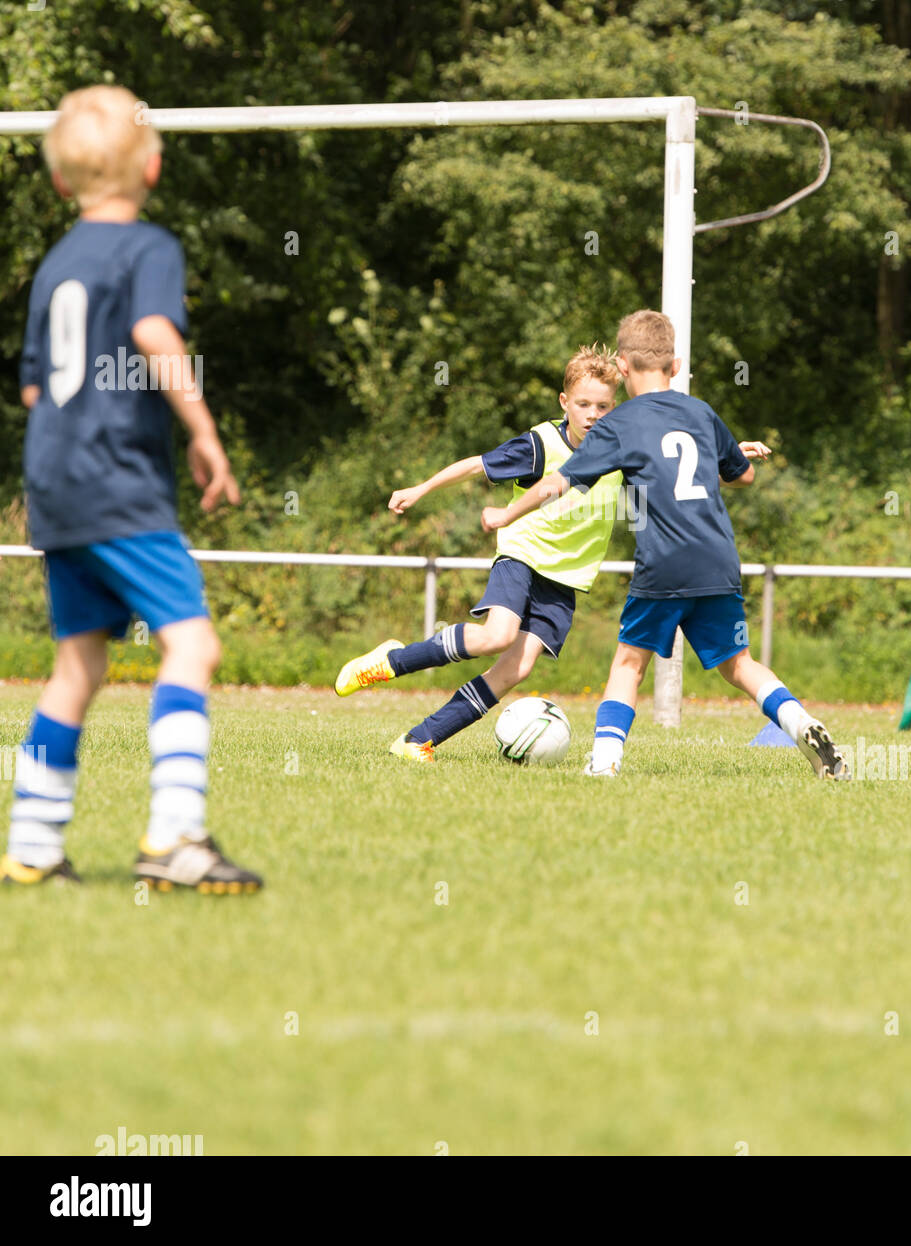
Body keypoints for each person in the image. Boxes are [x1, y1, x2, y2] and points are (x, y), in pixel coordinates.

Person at [1, 85, 262, 891]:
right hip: (119, 484)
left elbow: (36, 391)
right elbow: (153, 333)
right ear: (150, 167)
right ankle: (174, 839)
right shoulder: (148, 248)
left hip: (57, 486)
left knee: (78, 663)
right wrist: (204, 431)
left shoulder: (55, 264)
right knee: (194, 644)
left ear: (57, 183)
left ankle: (32, 847)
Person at [482, 308, 852, 781]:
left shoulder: (620, 423)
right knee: (740, 664)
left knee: (629, 663)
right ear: (675, 366)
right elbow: (745, 475)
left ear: (620, 367)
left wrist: (505, 513)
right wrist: (733, 454)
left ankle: (605, 763)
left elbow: (558, 483)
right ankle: (801, 721)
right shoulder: (700, 412)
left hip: (664, 562)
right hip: (717, 559)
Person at [334, 345, 623, 759]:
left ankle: (418, 740)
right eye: (584, 404)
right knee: (496, 635)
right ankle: (391, 662)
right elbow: (475, 465)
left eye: (604, 406)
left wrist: (725, 454)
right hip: (522, 555)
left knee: (516, 670)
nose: (594, 414)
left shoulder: (619, 449)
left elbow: (670, 462)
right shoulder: (540, 445)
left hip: (565, 579)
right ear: (565, 403)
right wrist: (421, 489)